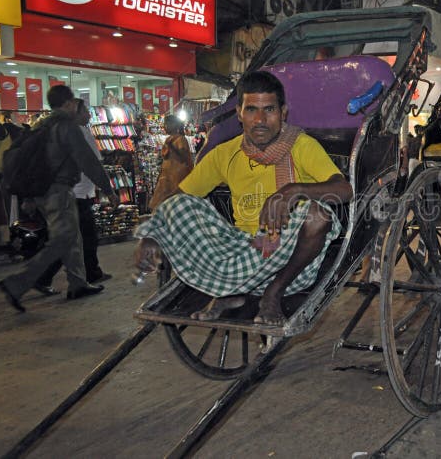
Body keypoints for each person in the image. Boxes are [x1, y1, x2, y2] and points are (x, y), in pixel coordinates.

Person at [133, 71, 352, 326]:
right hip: (239, 257)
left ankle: (273, 293)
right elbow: (179, 199)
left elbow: (344, 189)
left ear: (283, 112)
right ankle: (232, 292)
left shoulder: (302, 146)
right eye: (251, 110)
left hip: (287, 261)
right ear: (239, 113)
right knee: (176, 206)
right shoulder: (224, 153)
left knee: (318, 215)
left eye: (269, 109)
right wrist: (152, 234)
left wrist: (294, 191)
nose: (260, 120)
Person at [0, 86, 119, 313]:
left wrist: (29, 197)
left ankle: (78, 284)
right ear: (68, 104)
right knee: (63, 239)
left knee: (72, 237)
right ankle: (18, 283)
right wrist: (108, 190)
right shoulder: (67, 127)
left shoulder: (42, 125)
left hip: (42, 191)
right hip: (58, 191)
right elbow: (88, 161)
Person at [34, 100, 111, 294]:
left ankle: (89, 274)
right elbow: (94, 165)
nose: (89, 114)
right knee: (79, 238)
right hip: (77, 194)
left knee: (78, 237)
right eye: (86, 111)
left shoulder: (58, 132)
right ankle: (44, 277)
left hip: (63, 193)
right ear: (76, 113)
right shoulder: (80, 133)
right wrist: (109, 191)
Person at [149, 115, 194, 211]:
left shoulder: (181, 139)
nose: (164, 127)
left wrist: (172, 147)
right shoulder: (169, 139)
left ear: (174, 125)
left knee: (175, 202)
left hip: (177, 177)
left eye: (166, 124)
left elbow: (184, 155)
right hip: (167, 176)